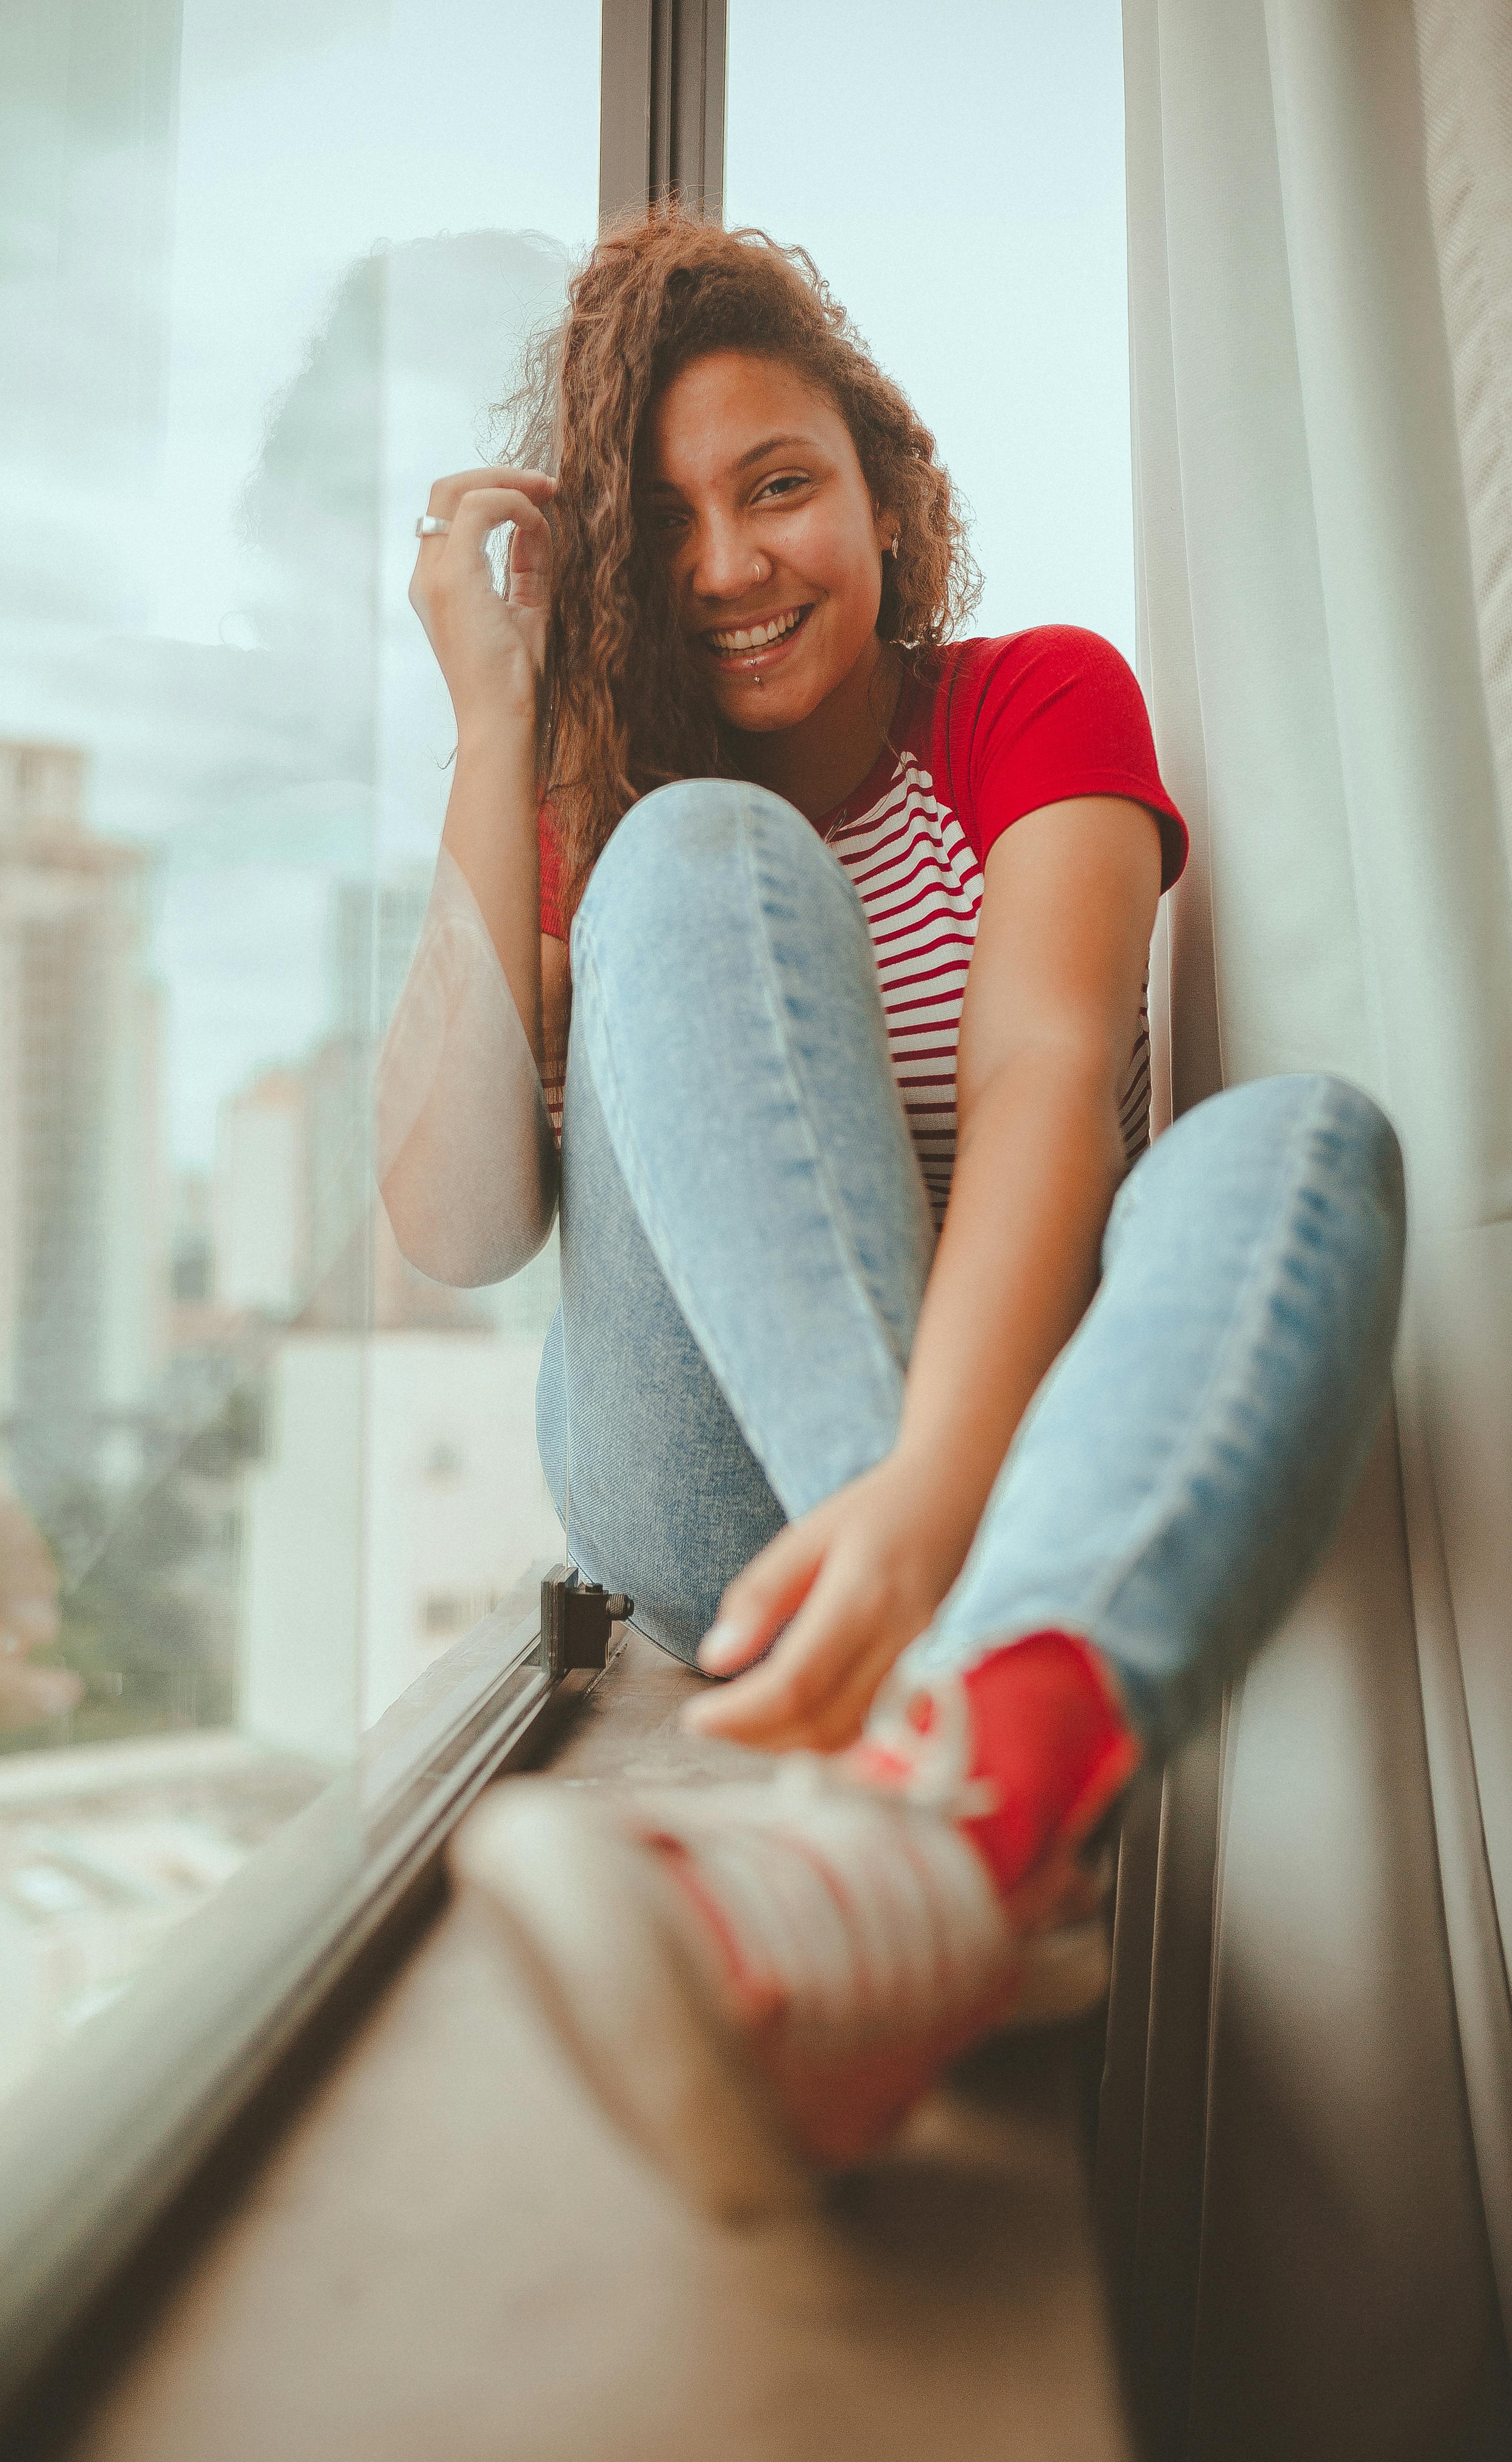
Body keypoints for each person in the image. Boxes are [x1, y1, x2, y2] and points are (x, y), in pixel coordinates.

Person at [382, 211, 1405, 2223]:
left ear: (886, 495)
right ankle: (948, 1728)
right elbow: (458, 1224)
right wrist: (497, 725)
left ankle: (947, 1831)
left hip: (980, 1487)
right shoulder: (599, 804)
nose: (731, 564)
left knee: (1303, 1139)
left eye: (781, 487)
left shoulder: (1031, 707)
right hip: (713, 1501)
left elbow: (1050, 1079)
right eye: (665, 524)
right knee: (699, 854)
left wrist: (939, 1488)